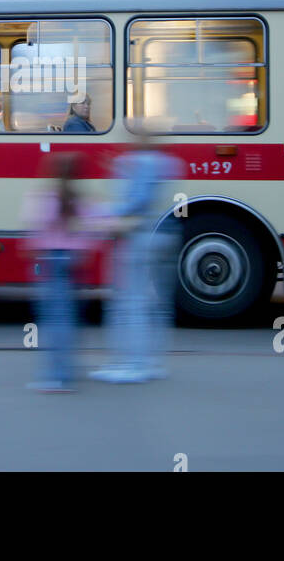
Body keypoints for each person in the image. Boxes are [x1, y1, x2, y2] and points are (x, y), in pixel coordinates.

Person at [90, 126, 182, 383]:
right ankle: (150, 363)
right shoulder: (168, 162)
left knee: (130, 301)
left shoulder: (140, 161)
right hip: (163, 234)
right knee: (155, 304)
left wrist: (107, 213)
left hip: (137, 236)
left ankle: (132, 365)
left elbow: (137, 201)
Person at [21, 152, 92, 393]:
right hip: (71, 262)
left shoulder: (46, 197)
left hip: (51, 260)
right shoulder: (77, 198)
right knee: (67, 319)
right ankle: (66, 370)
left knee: (52, 320)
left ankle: (56, 376)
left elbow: (35, 226)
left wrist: (30, 249)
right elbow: (91, 228)